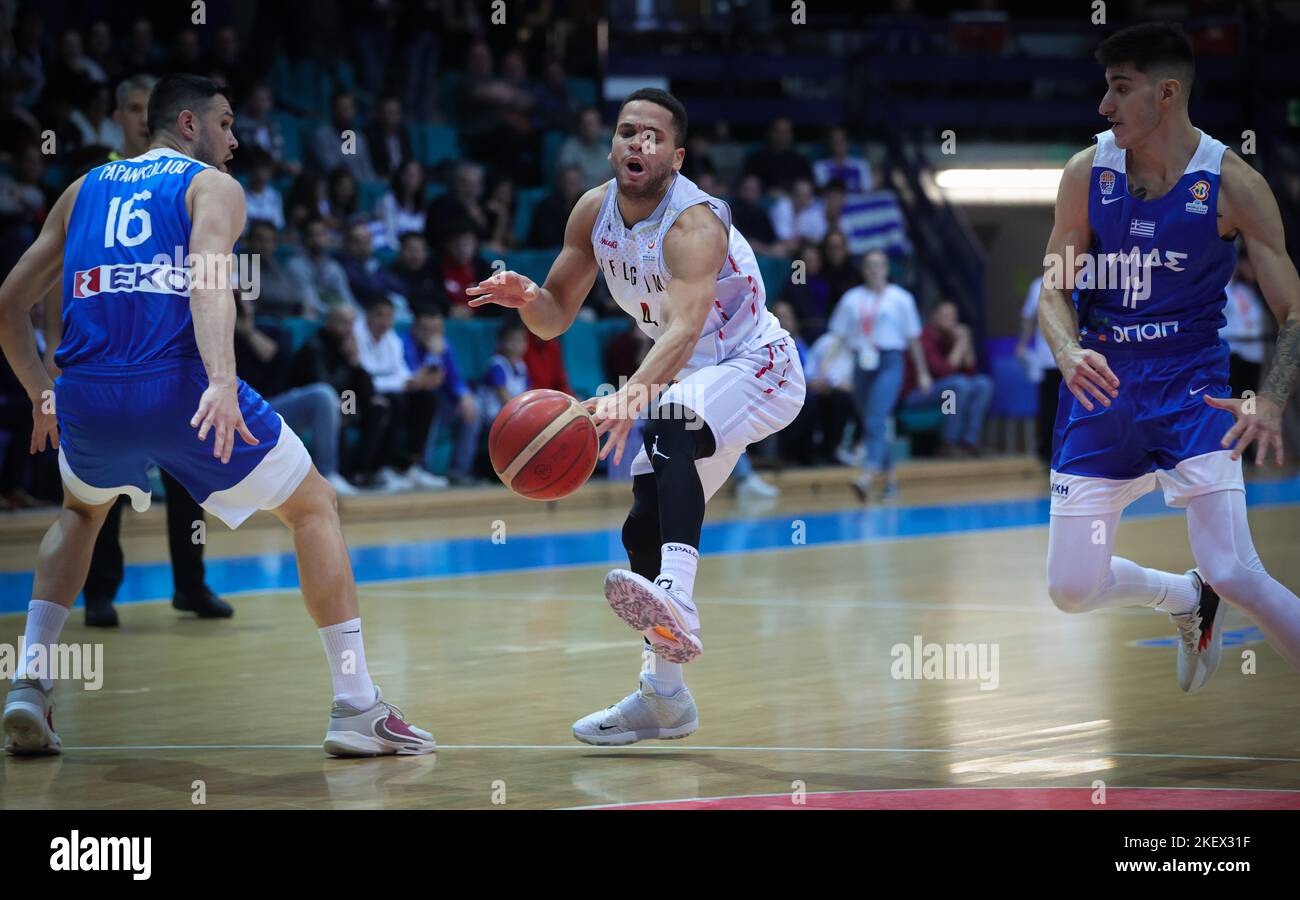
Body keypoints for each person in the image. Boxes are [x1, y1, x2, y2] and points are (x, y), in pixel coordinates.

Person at [0, 74, 434, 756]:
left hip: (85, 393)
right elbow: (208, 276)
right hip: (177, 387)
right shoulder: (211, 186)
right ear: (189, 124)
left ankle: (29, 683)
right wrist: (223, 381)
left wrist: (39, 393)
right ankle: (356, 706)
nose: (235, 141)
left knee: (80, 514)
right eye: (226, 123)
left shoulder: (82, 189)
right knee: (314, 506)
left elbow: (9, 302)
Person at [467, 88, 805, 746]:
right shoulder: (592, 213)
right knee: (643, 524)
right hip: (694, 384)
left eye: (654, 136)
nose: (638, 143)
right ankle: (664, 698)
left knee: (670, 420)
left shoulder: (694, 225)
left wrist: (632, 397)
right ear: (612, 145)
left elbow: (683, 330)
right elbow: (553, 318)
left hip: (758, 365)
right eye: (628, 131)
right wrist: (528, 296)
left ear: (676, 157)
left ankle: (678, 593)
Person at [1039, 24, 1300, 692]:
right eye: (1106, 88)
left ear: (1168, 93)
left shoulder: (1234, 185)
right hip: (1103, 388)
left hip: (1192, 387)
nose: (1105, 105)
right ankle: (1185, 598)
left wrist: (1271, 397)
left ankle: (1210, 588)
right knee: (1070, 589)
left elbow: (1294, 311)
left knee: (1234, 570)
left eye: (1120, 89)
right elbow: (1055, 287)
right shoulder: (1086, 173)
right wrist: (1066, 349)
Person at [826, 250, 929, 500]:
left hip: (890, 361)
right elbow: (838, 336)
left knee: (876, 416)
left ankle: (867, 475)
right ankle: (891, 481)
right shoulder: (852, 298)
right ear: (863, 270)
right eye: (869, 266)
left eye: (879, 265)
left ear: (886, 269)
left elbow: (913, 339)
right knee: (874, 422)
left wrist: (923, 372)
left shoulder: (901, 299)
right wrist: (826, 364)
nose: (874, 270)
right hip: (862, 363)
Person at [902, 300, 993, 457]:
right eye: (945, 316)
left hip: (945, 391)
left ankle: (969, 441)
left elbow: (971, 373)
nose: (951, 320)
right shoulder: (923, 337)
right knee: (957, 385)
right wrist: (960, 345)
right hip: (916, 394)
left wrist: (967, 344)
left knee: (983, 383)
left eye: (953, 316)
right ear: (934, 317)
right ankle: (948, 442)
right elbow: (944, 372)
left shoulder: (951, 337)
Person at [1015, 274, 1061, 465]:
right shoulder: (1038, 285)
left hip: (1079, 356)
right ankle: (1047, 452)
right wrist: (1023, 343)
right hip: (1048, 357)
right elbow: (1029, 317)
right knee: (1049, 407)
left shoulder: (1083, 278)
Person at [1220, 252, 1269, 397]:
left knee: (1248, 398)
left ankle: (1248, 412)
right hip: (1231, 351)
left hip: (1253, 353)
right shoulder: (1223, 288)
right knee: (1228, 398)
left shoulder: (1248, 290)